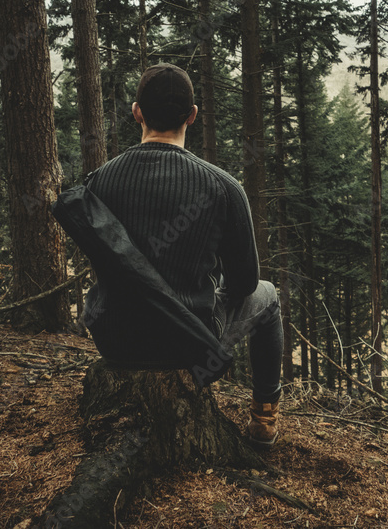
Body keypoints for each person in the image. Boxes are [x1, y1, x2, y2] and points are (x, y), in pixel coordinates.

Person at [82, 63, 283, 448]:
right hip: (187, 345)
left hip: (113, 339)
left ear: (137, 111)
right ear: (192, 116)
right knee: (268, 295)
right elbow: (243, 284)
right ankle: (263, 418)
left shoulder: (99, 181)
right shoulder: (223, 187)